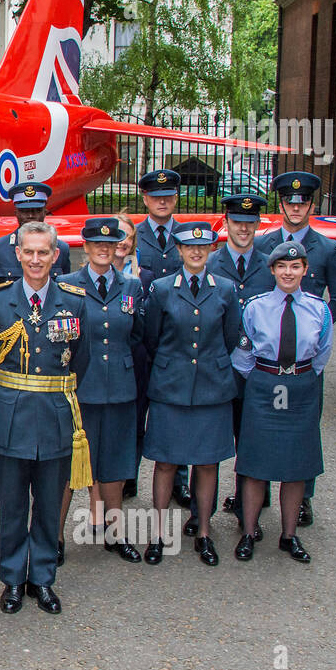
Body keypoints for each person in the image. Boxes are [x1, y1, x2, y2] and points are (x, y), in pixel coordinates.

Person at [0, 222, 90, 616]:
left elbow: (83, 361)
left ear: (55, 255)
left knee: (46, 505)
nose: (36, 259)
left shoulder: (74, 301)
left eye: (44, 252)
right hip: (10, 417)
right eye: (29, 252)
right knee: (11, 506)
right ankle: (11, 579)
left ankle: (41, 578)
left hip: (56, 416)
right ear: (18, 254)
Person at [254, 170, 336, 527]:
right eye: (289, 202)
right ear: (280, 203)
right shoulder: (263, 244)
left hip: (303, 359)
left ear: (313, 204)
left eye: (304, 202)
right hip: (266, 358)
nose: (296, 208)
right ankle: (258, 488)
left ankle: (303, 498)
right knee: (261, 421)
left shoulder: (327, 249)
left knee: (304, 424)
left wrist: (312, 331)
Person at [140, 222, 242, 567]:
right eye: (188, 247)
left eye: (203, 247)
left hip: (212, 390)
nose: (196, 253)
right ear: (179, 251)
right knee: (166, 461)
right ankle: (157, 534)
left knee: (207, 462)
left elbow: (230, 338)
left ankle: (204, 532)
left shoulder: (226, 289)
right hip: (172, 388)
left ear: (212, 250)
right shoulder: (161, 289)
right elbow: (152, 337)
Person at [231, 241, 333, 564]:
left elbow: (322, 354)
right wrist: (269, 376)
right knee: (255, 464)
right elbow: (243, 354)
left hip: (301, 384)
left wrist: (295, 375)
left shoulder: (319, 309)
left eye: (295, 266)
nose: (288, 273)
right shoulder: (255, 307)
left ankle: (289, 536)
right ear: (272, 270)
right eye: (282, 267)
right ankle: (249, 532)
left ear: (305, 270)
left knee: (296, 467)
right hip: (264, 383)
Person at [0, 181, 71, 508]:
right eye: (24, 210)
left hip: (46, 342)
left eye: (36, 209)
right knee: (5, 416)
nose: (30, 214)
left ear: (46, 210)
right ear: (14, 211)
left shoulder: (62, 249)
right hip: (10, 346)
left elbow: (65, 300)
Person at [57, 218, 145, 563]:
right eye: (97, 245)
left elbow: (138, 335)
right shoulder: (66, 285)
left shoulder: (132, 286)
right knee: (69, 467)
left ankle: (114, 533)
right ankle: (56, 536)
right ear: (86, 248)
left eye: (111, 244)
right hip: (81, 389)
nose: (104, 249)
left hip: (120, 389)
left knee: (115, 464)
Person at [205, 193, 276, 534]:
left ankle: (250, 507)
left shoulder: (270, 266)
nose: (244, 229)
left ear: (258, 225)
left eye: (250, 223)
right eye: (237, 222)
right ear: (226, 222)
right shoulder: (209, 263)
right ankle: (201, 510)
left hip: (258, 371)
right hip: (219, 367)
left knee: (253, 438)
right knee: (210, 439)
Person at [134, 168, 192, 510]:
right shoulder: (133, 235)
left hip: (178, 341)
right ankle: (127, 476)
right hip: (140, 340)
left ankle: (179, 481)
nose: (162, 201)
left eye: (168, 196)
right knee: (135, 410)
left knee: (176, 414)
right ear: (145, 198)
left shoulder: (189, 236)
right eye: (156, 196)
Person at [113, 215, 150, 500]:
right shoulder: (88, 274)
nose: (121, 241)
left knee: (135, 421)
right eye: (116, 235)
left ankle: (129, 475)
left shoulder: (145, 276)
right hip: (104, 360)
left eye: (127, 236)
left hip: (135, 359)